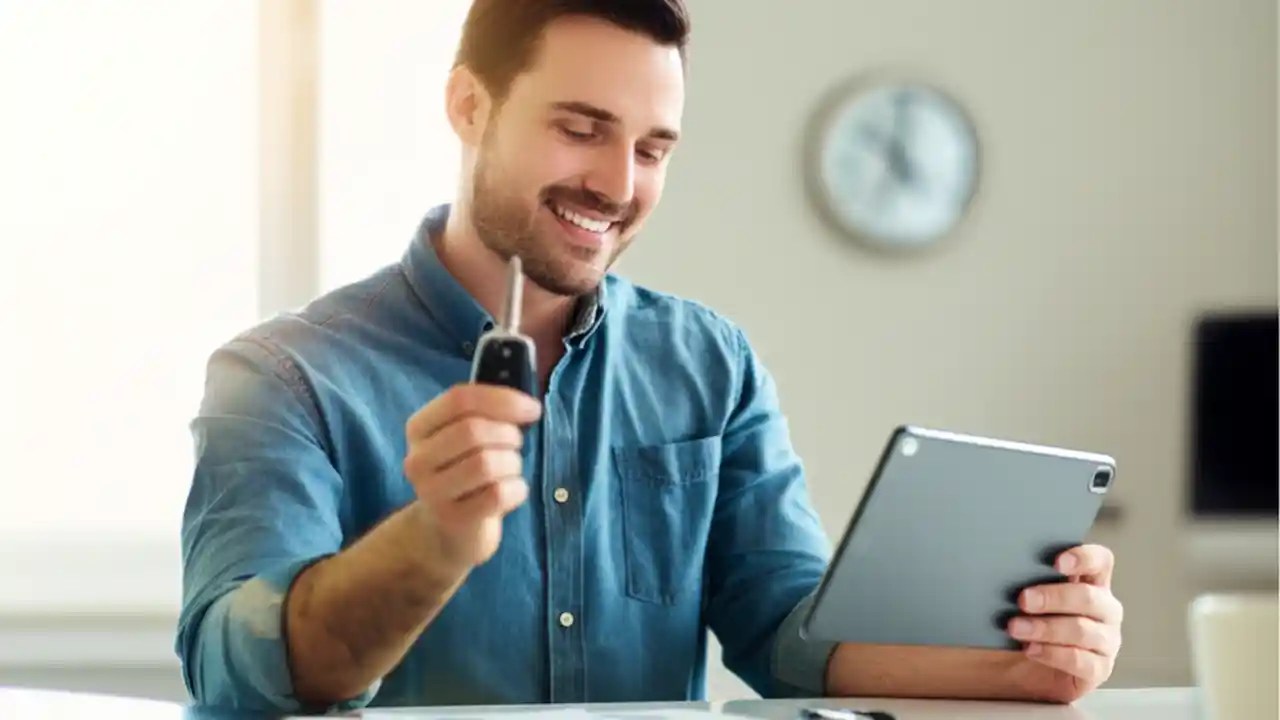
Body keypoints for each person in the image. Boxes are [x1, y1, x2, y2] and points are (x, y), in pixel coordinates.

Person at [176, 0, 1124, 712]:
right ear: (469, 104)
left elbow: (787, 629)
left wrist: (1017, 662)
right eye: (580, 129)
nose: (617, 184)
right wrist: (431, 545)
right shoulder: (283, 377)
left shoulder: (711, 363)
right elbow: (238, 673)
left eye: (653, 148)